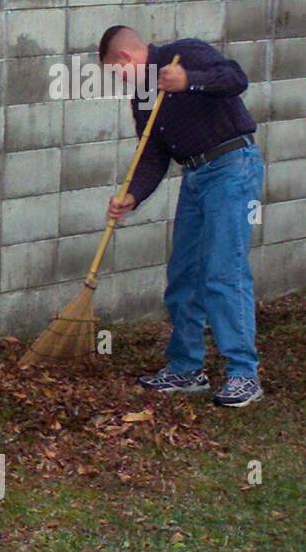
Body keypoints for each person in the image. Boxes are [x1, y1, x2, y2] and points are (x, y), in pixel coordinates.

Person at [99, 25, 263, 407]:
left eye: (116, 72)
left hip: (232, 165)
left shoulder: (185, 53)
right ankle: (186, 368)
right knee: (183, 273)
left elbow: (235, 78)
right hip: (195, 175)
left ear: (126, 58)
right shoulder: (142, 96)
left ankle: (243, 374)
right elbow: (153, 154)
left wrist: (189, 80)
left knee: (224, 271)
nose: (119, 80)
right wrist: (133, 195)